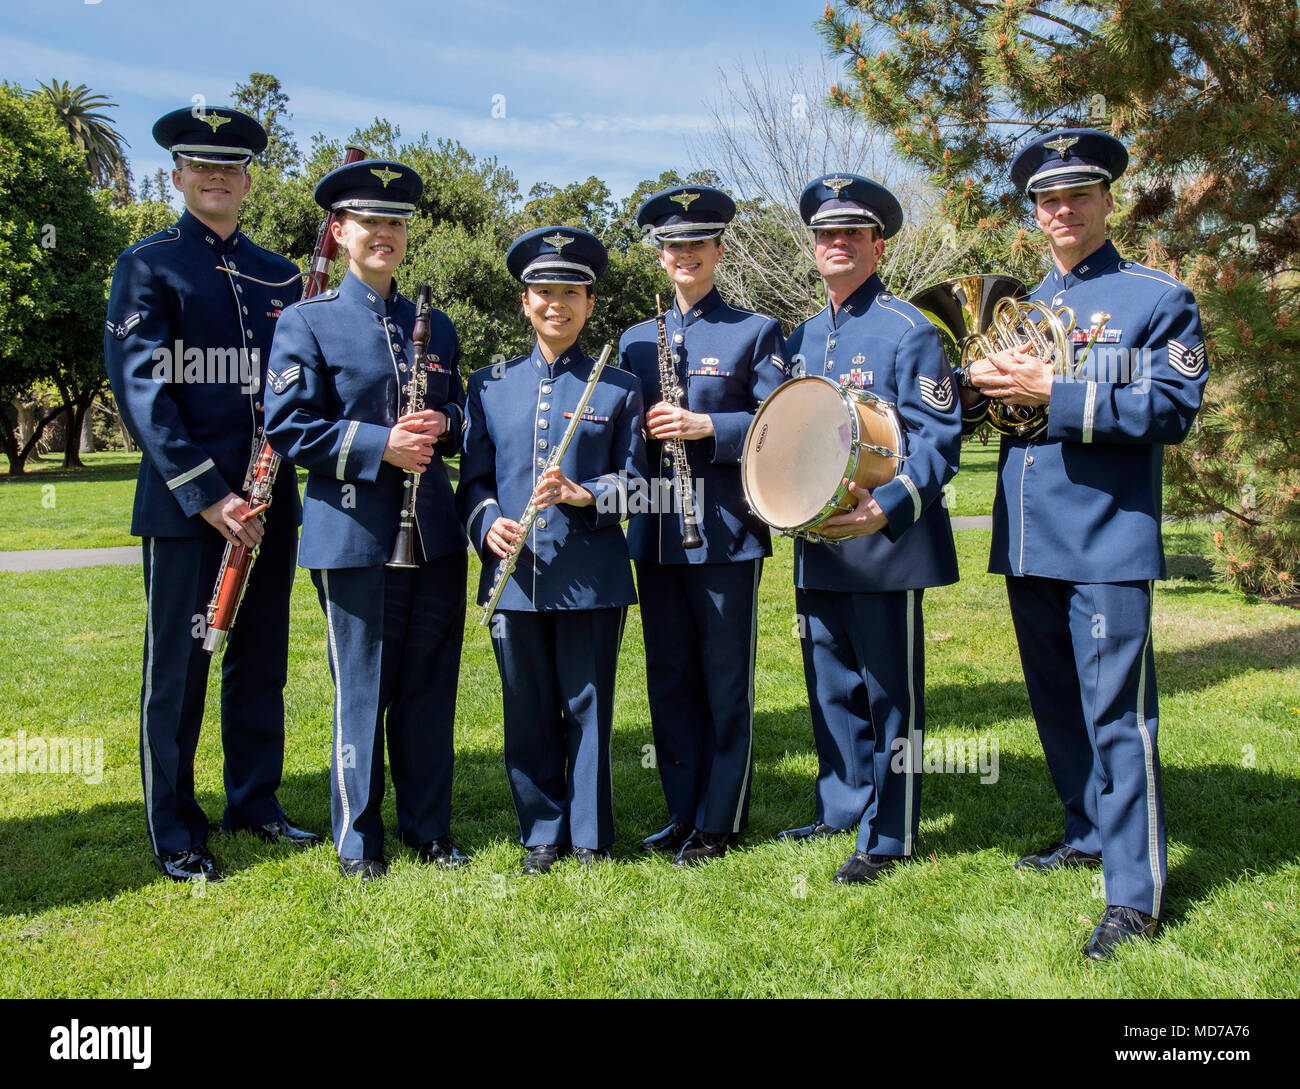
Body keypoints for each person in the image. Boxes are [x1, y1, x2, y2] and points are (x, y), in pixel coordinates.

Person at [960, 129, 1207, 959]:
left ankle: (1134, 897)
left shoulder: (1154, 298)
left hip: (1104, 538)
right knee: (1058, 707)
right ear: (1034, 212)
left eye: (1077, 195)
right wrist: (979, 390)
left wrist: (1054, 389)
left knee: (1117, 719)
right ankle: (1087, 832)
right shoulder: (1018, 301)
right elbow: (1000, 418)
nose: (1061, 210)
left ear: (1108, 201)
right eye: (1047, 200)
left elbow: (1172, 406)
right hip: (1029, 538)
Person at [105, 106, 320, 882]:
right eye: (202, 166)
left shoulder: (281, 274)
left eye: (230, 167)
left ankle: (254, 802)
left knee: (260, 657)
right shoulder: (149, 265)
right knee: (181, 663)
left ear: (249, 179)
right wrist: (207, 495)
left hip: (268, 503)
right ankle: (174, 827)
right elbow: (142, 391)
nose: (217, 177)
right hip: (186, 504)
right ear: (178, 175)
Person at [264, 160, 468, 880]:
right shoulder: (305, 321)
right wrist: (384, 445)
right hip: (350, 535)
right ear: (341, 231)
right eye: (369, 221)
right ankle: (357, 837)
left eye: (396, 222)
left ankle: (428, 828)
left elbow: (464, 417)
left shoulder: (435, 325)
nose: (384, 233)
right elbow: (287, 425)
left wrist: (444, 420)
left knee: (427, 688)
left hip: (434, 534)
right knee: (363, 688)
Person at [779, 174, 960, 885]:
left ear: (877, 245)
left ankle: (891, 830)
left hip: (886, 543)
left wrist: (889, 507)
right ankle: (841, 803)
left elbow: (940, 440)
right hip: (822, 543)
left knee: (889, 692)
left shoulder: (909, 330)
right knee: (830, 682)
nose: (838, 245)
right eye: (827, 235)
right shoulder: (801, 336)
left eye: (853, 234)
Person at [457, 226, 646, 875]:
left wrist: (583, 491)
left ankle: (590, 835)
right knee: (527, 708)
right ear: (524, 301)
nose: (555, 304)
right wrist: (486, 523)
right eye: (543, 292)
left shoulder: (618, 387)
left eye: (570, 292)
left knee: (589, 705)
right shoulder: (487, 383)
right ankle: (542, 828)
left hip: (592, 576)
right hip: (514, 577)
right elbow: (473, 481)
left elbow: (641, 489)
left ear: (590, 304)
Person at [618, 185, 786, 865]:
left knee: (723, 680)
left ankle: (721, 818)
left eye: (697, 243)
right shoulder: (633, 339)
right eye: (672, 245)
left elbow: (782, 422)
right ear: (661, 257)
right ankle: (681, 810)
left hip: (724, 532)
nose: (684, 254)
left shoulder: (755, 330)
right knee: (670, 680)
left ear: (719, 249)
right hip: (657, 536)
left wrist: (708, 426)